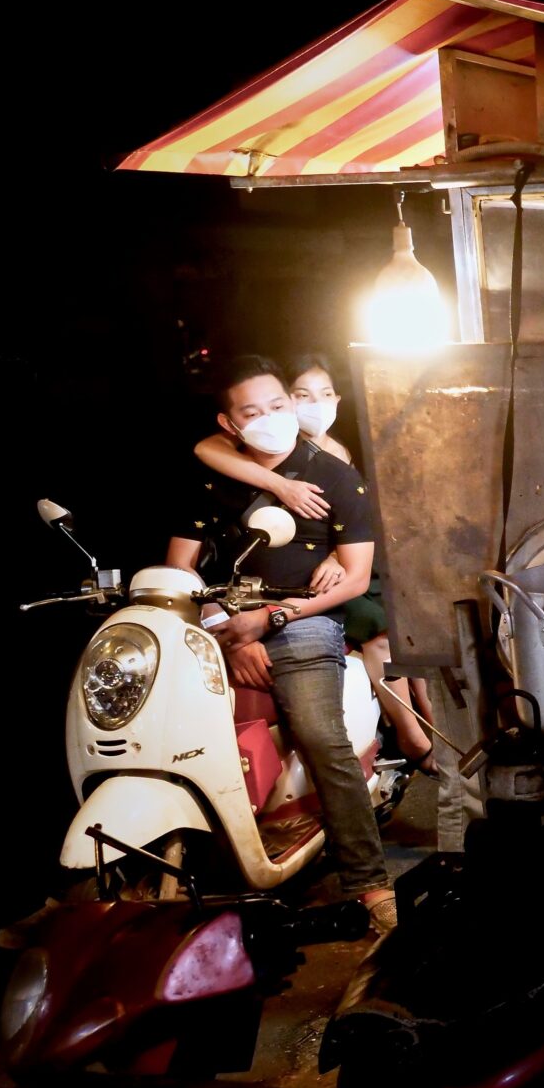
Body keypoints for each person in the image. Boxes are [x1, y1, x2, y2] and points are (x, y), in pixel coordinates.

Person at [169, 355, 394, 927]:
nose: (270, 417)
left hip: (301, 620)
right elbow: (179, 568)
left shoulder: (337, 477)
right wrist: (227, 631)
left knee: (321, 736)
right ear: (230, 424)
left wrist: (272, 619)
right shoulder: (211, 475)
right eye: (253, 411)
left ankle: (369, 881)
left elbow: (357, 576)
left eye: (278, 405)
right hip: (221, 623)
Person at [192, 354, 437, 770]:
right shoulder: (253, 450)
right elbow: (205, 448)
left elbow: (352, 524)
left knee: (417, 628)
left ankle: (439, 729)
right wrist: (280, 485)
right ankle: (412, 735)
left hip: (352, 561)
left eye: (324, 394)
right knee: (379, 632)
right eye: (302, 395)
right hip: (303, 585)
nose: (313, 405)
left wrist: (337, 557)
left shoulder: (336, 455)